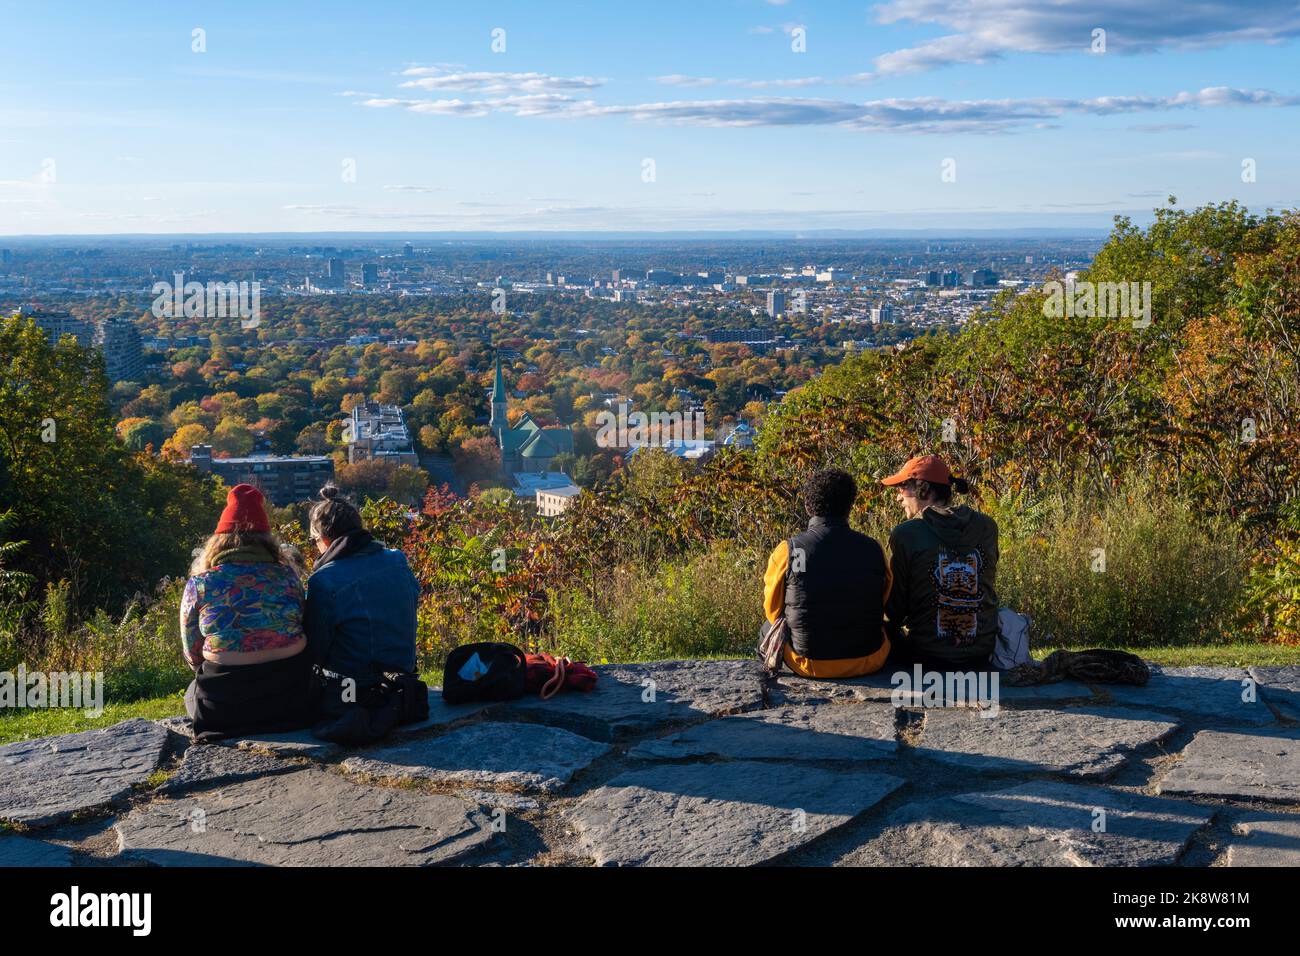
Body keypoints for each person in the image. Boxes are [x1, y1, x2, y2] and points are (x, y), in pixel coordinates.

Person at [181, 483, 313, 739]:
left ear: (217, 543)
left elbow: (193, 653)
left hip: (225, 707)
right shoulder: (288, 577)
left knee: (191, 693)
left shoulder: (201, 584)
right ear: (268, 542)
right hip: (292, 701)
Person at [761, 468, 892, 678]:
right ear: (850, 507)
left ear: (807, 506)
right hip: (869, 659)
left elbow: (773, 611)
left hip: (808, 663)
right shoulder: (872, 549)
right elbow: (882, 600)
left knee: (765, 628)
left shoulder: (792, 550)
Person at [303, 485, 419, 712]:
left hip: (352, 692)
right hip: (402, 682)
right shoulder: (397, 561)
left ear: (324, 539)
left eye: (314, 540)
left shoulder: (325, 580)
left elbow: (315, 648)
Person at [881, 454, 999, 671]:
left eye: (902, 488)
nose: (898, 497)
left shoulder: (907, 534)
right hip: (981, 654)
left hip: (927, 656)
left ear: (923, 489)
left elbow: (894, 611)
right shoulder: (987, 527)